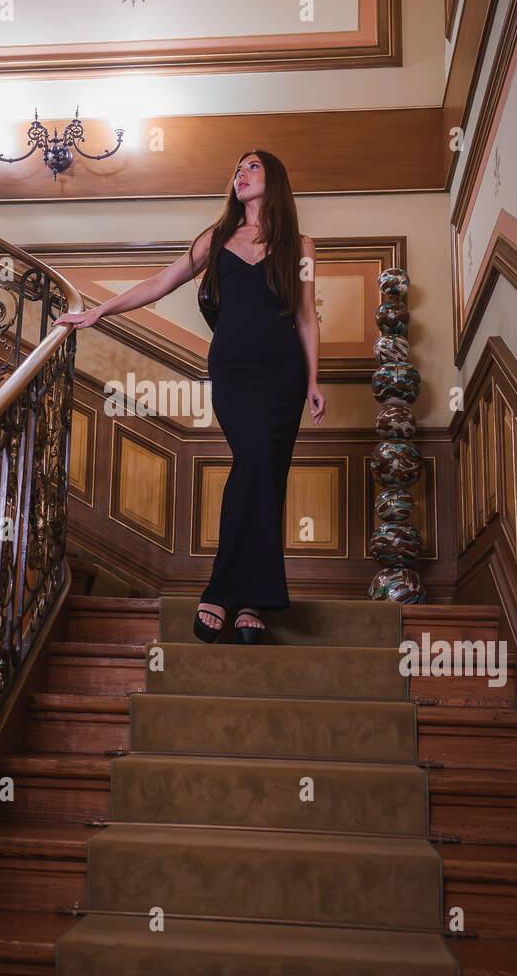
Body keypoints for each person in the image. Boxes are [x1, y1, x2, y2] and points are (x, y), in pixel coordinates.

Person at [55, 149, 326, 643]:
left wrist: (312, 381)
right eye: (237, 168)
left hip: (284, 374)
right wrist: (99, 312)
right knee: (254, 463)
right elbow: (160, 283)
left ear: (276, 179)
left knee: (264, 474)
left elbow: (307, 317)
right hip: (233, 373)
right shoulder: (215, 239)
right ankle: (234, 593)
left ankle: (241, 600)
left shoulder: (300, 247)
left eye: (252, 167)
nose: (240, 174)